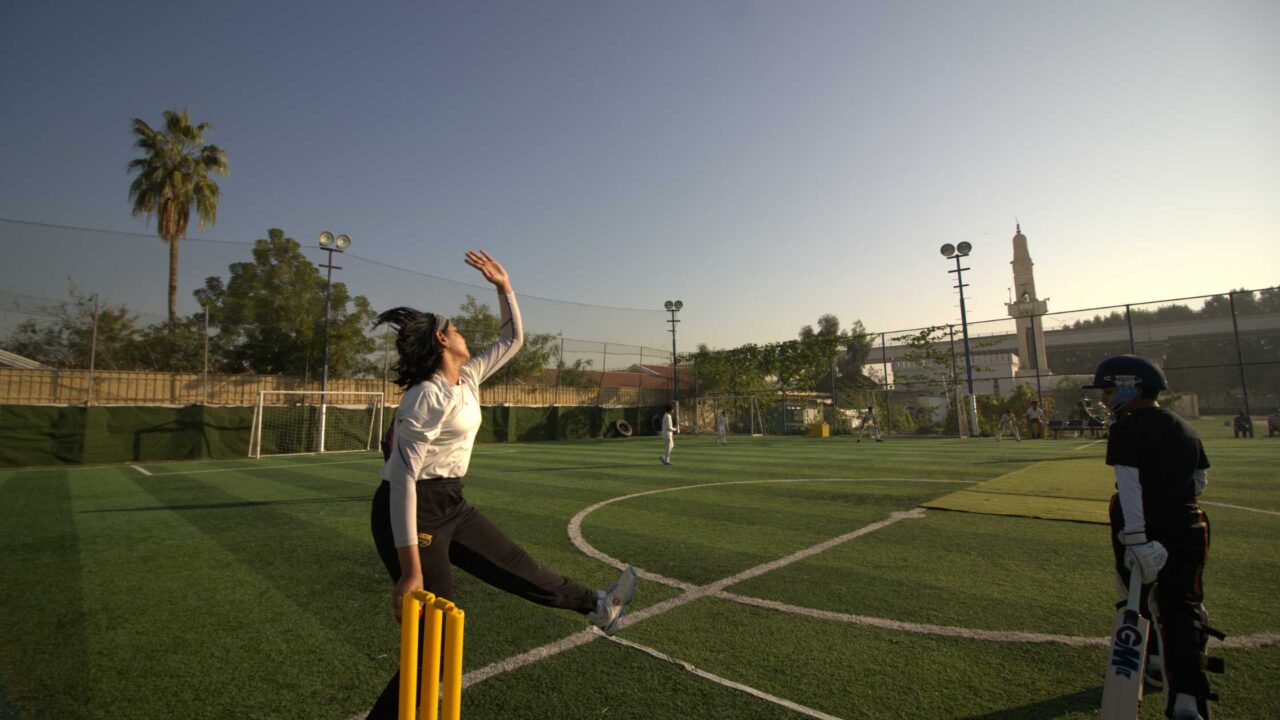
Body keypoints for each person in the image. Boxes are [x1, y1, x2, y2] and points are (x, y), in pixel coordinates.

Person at [367, 251, 637, 718]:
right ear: (442, 339)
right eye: (456, 328)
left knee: (514, 563)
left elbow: (513, 339)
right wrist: (410, 572)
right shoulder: (426, 395)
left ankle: (597, 606)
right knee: (436, 644)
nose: (463, 334)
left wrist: (504, 287)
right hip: (413, 509)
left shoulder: (468, 377)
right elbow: (404, 480)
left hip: (451, 502)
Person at [1084, 355, 1222, 720]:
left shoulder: (1127, 428)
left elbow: (1130, 488)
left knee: (1138, 598)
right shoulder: (1183, 425)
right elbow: (1200, 482)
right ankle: (1188, 702)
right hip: (1190, 522)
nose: (1104, 398)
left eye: (1108, 390)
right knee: (1183, 606)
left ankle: (1154, 662)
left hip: (1145, 524)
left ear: (1130, 386)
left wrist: (1136, 537)